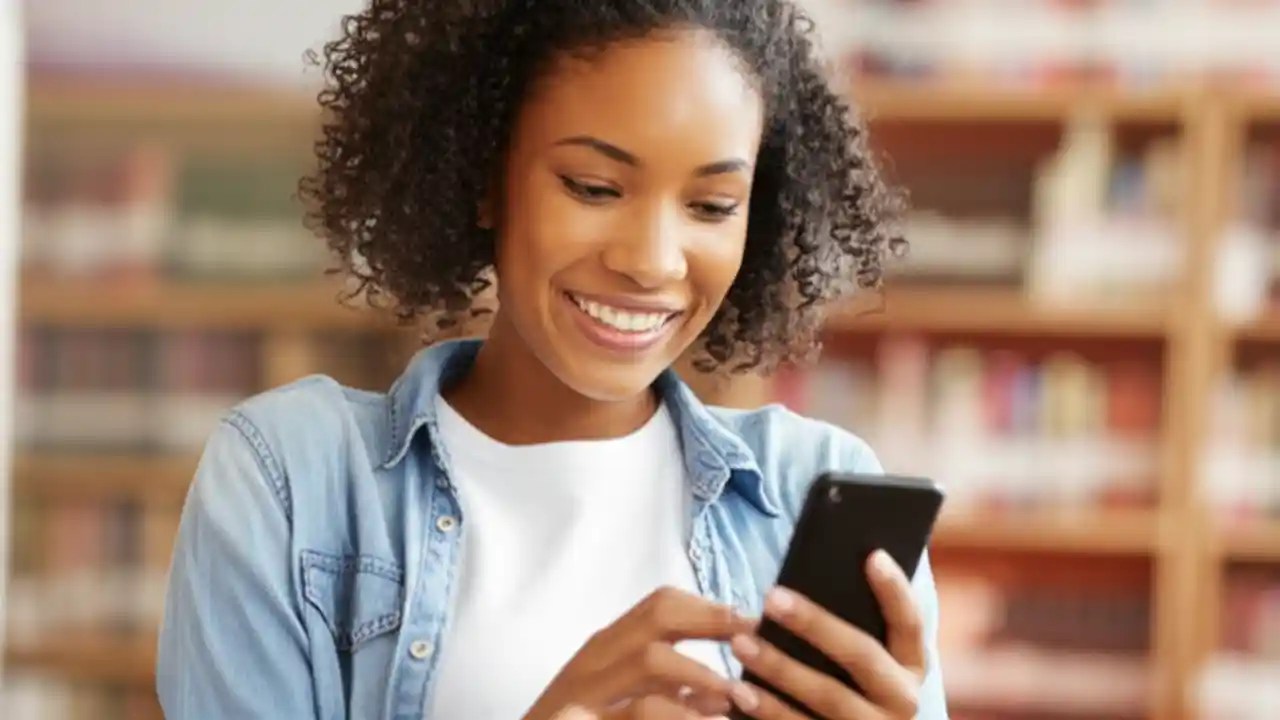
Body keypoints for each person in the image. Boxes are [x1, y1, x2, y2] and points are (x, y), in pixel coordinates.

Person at [156, 1, 948, 719]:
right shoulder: (292, 481)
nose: (652, 261)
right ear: (483, 179)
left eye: (711, 206)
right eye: (594, 186)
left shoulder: (811, 494)